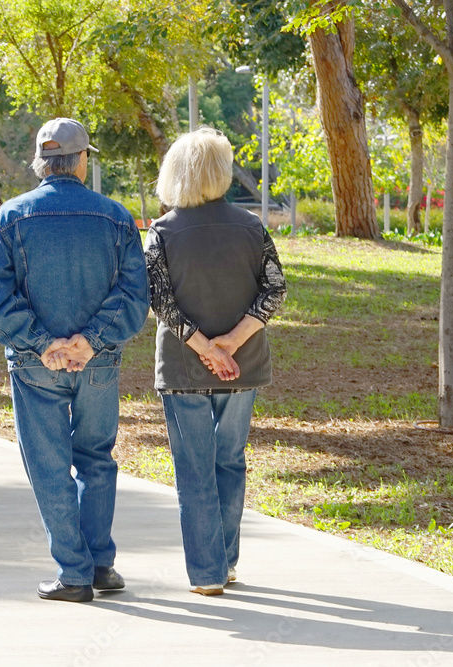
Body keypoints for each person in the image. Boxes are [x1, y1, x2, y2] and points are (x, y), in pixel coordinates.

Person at [0, 117, 149, 602]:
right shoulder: (116, 217)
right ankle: (99, 565)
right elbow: (134, 294)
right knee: (97, 458)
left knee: (49, 464)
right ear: (81, 160)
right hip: (98, 363)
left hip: (35, 366)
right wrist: (91, 341)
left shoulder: (10, 217)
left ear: (40, 161)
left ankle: (74, 574)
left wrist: (42, 343)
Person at [145, 127, 286, 596]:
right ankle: (225, 563)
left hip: (185, 368)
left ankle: (206, 573)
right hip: (242, 365)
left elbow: (158, 299)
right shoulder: (252, 227)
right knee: (230, 461)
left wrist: (205, 347)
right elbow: (275, 289)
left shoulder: (162, 232)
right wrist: (231, 342)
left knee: (194, 469)